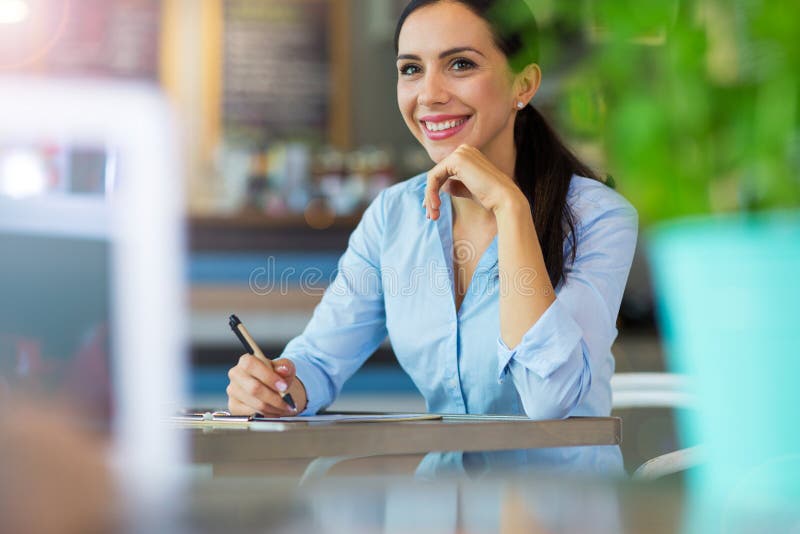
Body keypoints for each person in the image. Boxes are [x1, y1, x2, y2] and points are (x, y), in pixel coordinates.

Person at [226, 0, 638, 473]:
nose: (430, 93)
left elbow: (550, 398)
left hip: (561, 510)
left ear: (523, 84)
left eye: (460, 64)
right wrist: (276, 388)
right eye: (411, 69)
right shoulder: (393, 216)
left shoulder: (596, 217)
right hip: (441, 505)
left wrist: (510, 209)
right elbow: (318, 361)